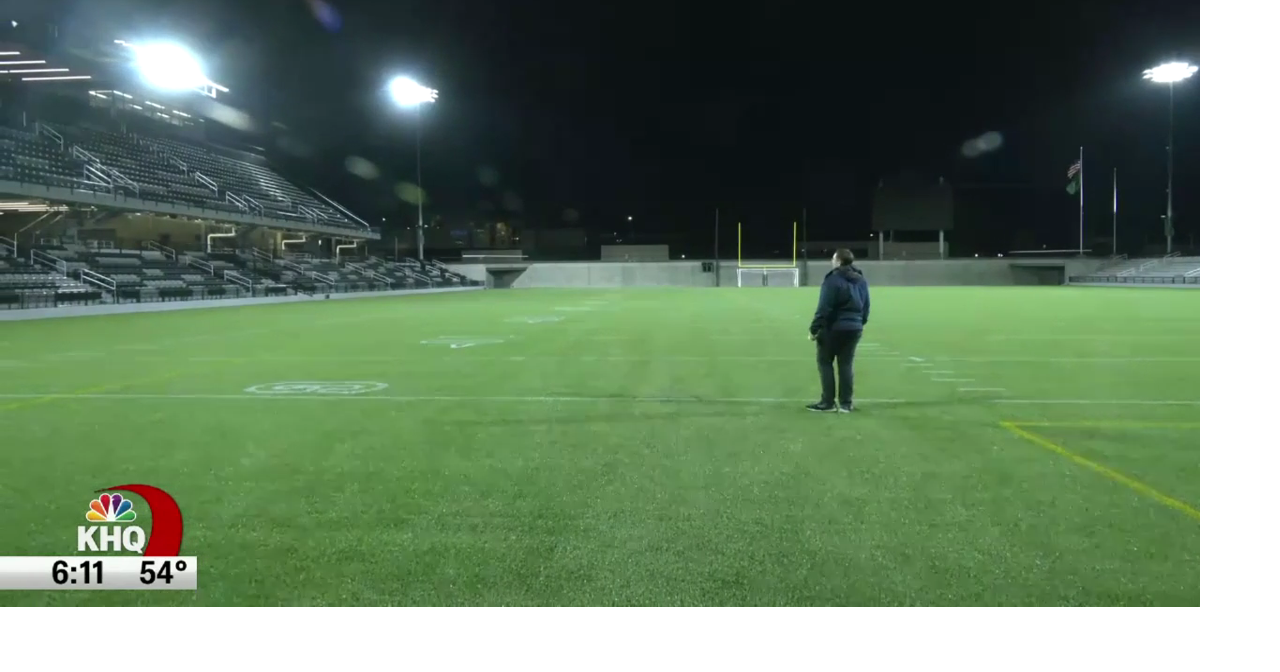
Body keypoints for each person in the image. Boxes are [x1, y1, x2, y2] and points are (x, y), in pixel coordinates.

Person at [806, 249, 870, 413]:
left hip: (834, 328)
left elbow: (824, 307)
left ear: (839, 261)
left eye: (834, 259)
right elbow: (866, 306)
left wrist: (814, 329)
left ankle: (827, 402)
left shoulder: (833, 280)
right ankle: (846, 404)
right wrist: (859, 323)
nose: (832, 262)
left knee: (825, 362)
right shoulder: (861, 280)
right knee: (846, 364)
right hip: (854, 327)